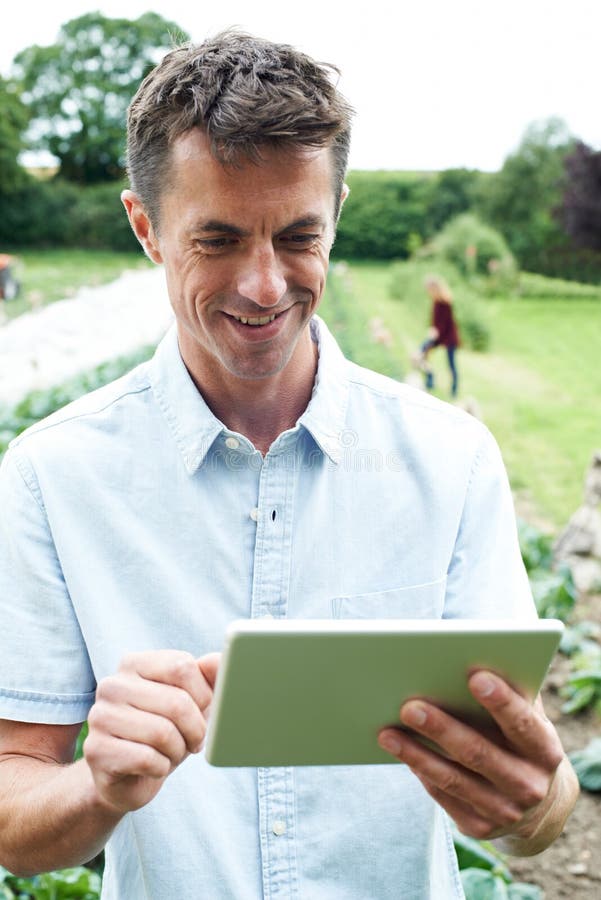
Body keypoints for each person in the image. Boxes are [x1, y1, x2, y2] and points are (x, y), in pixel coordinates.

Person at [0, 31, 578, 900]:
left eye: (299, 234)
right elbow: (14, 814)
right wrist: (95, 784)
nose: (266, 286)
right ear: (146, 227)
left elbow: (538, 800)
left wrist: (538, 805)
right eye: (220, 239)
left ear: (336, 212)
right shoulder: (55, 473)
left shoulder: (449, 460)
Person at [418, 275, 460, 396]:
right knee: (423, 352)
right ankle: (430, 380)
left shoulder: (445, 302)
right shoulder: (435, 302)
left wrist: (435, 333)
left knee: (451, 364)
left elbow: (446, 323)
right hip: (438, 336)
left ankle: (454, 390)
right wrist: (432, 331)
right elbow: (435, 321)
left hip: (448, 336)